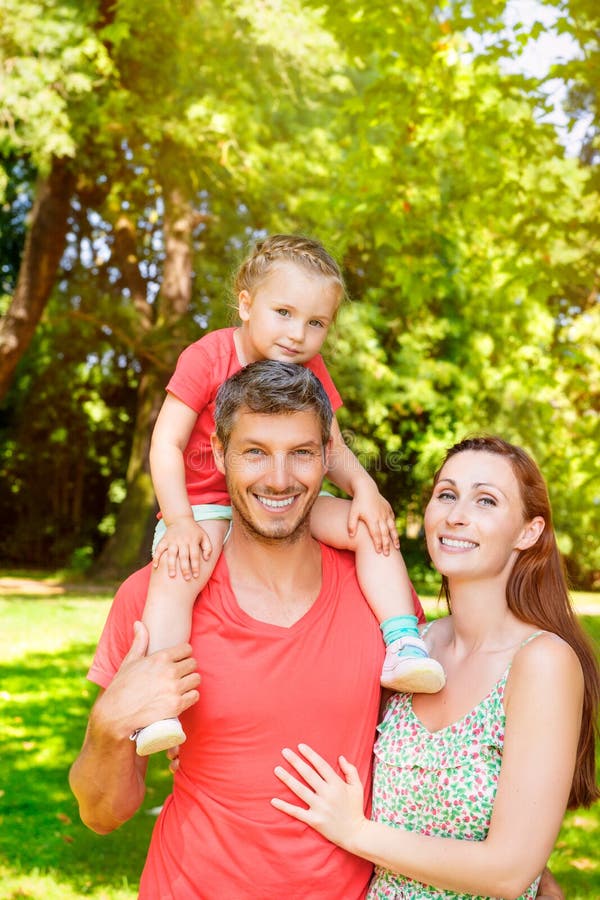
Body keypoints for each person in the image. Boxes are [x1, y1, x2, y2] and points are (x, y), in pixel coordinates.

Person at [69, 361, 427, 899]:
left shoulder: (380, 596)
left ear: (327, 456)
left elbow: (442, 768)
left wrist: (529, 880)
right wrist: (108, 725)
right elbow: (102, 814)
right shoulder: (156, 596)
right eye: (255, 451)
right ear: (219, 454)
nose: (279, 479)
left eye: (301, 452)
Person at [135, 234, 443, 756]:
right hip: (206, 504)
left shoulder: (310, 370)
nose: (298, 334)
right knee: (176, 573)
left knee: (366, 526)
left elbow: (332, 447)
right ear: (246, 303)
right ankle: (157, 702)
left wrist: (365, 489)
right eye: (284, 313)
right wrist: (180, 521)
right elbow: (165, 443)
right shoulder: (207, 356)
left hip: (285, 500)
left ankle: (403, 642)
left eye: (316, 323)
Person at [271, 435, 600, 899]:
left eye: (486, 500)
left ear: (528, 532)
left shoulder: (542, 662)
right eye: (446, 494)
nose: (456, 515)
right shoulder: (410, 649)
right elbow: (294, 509)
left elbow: (508, 872)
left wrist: (357, 832)